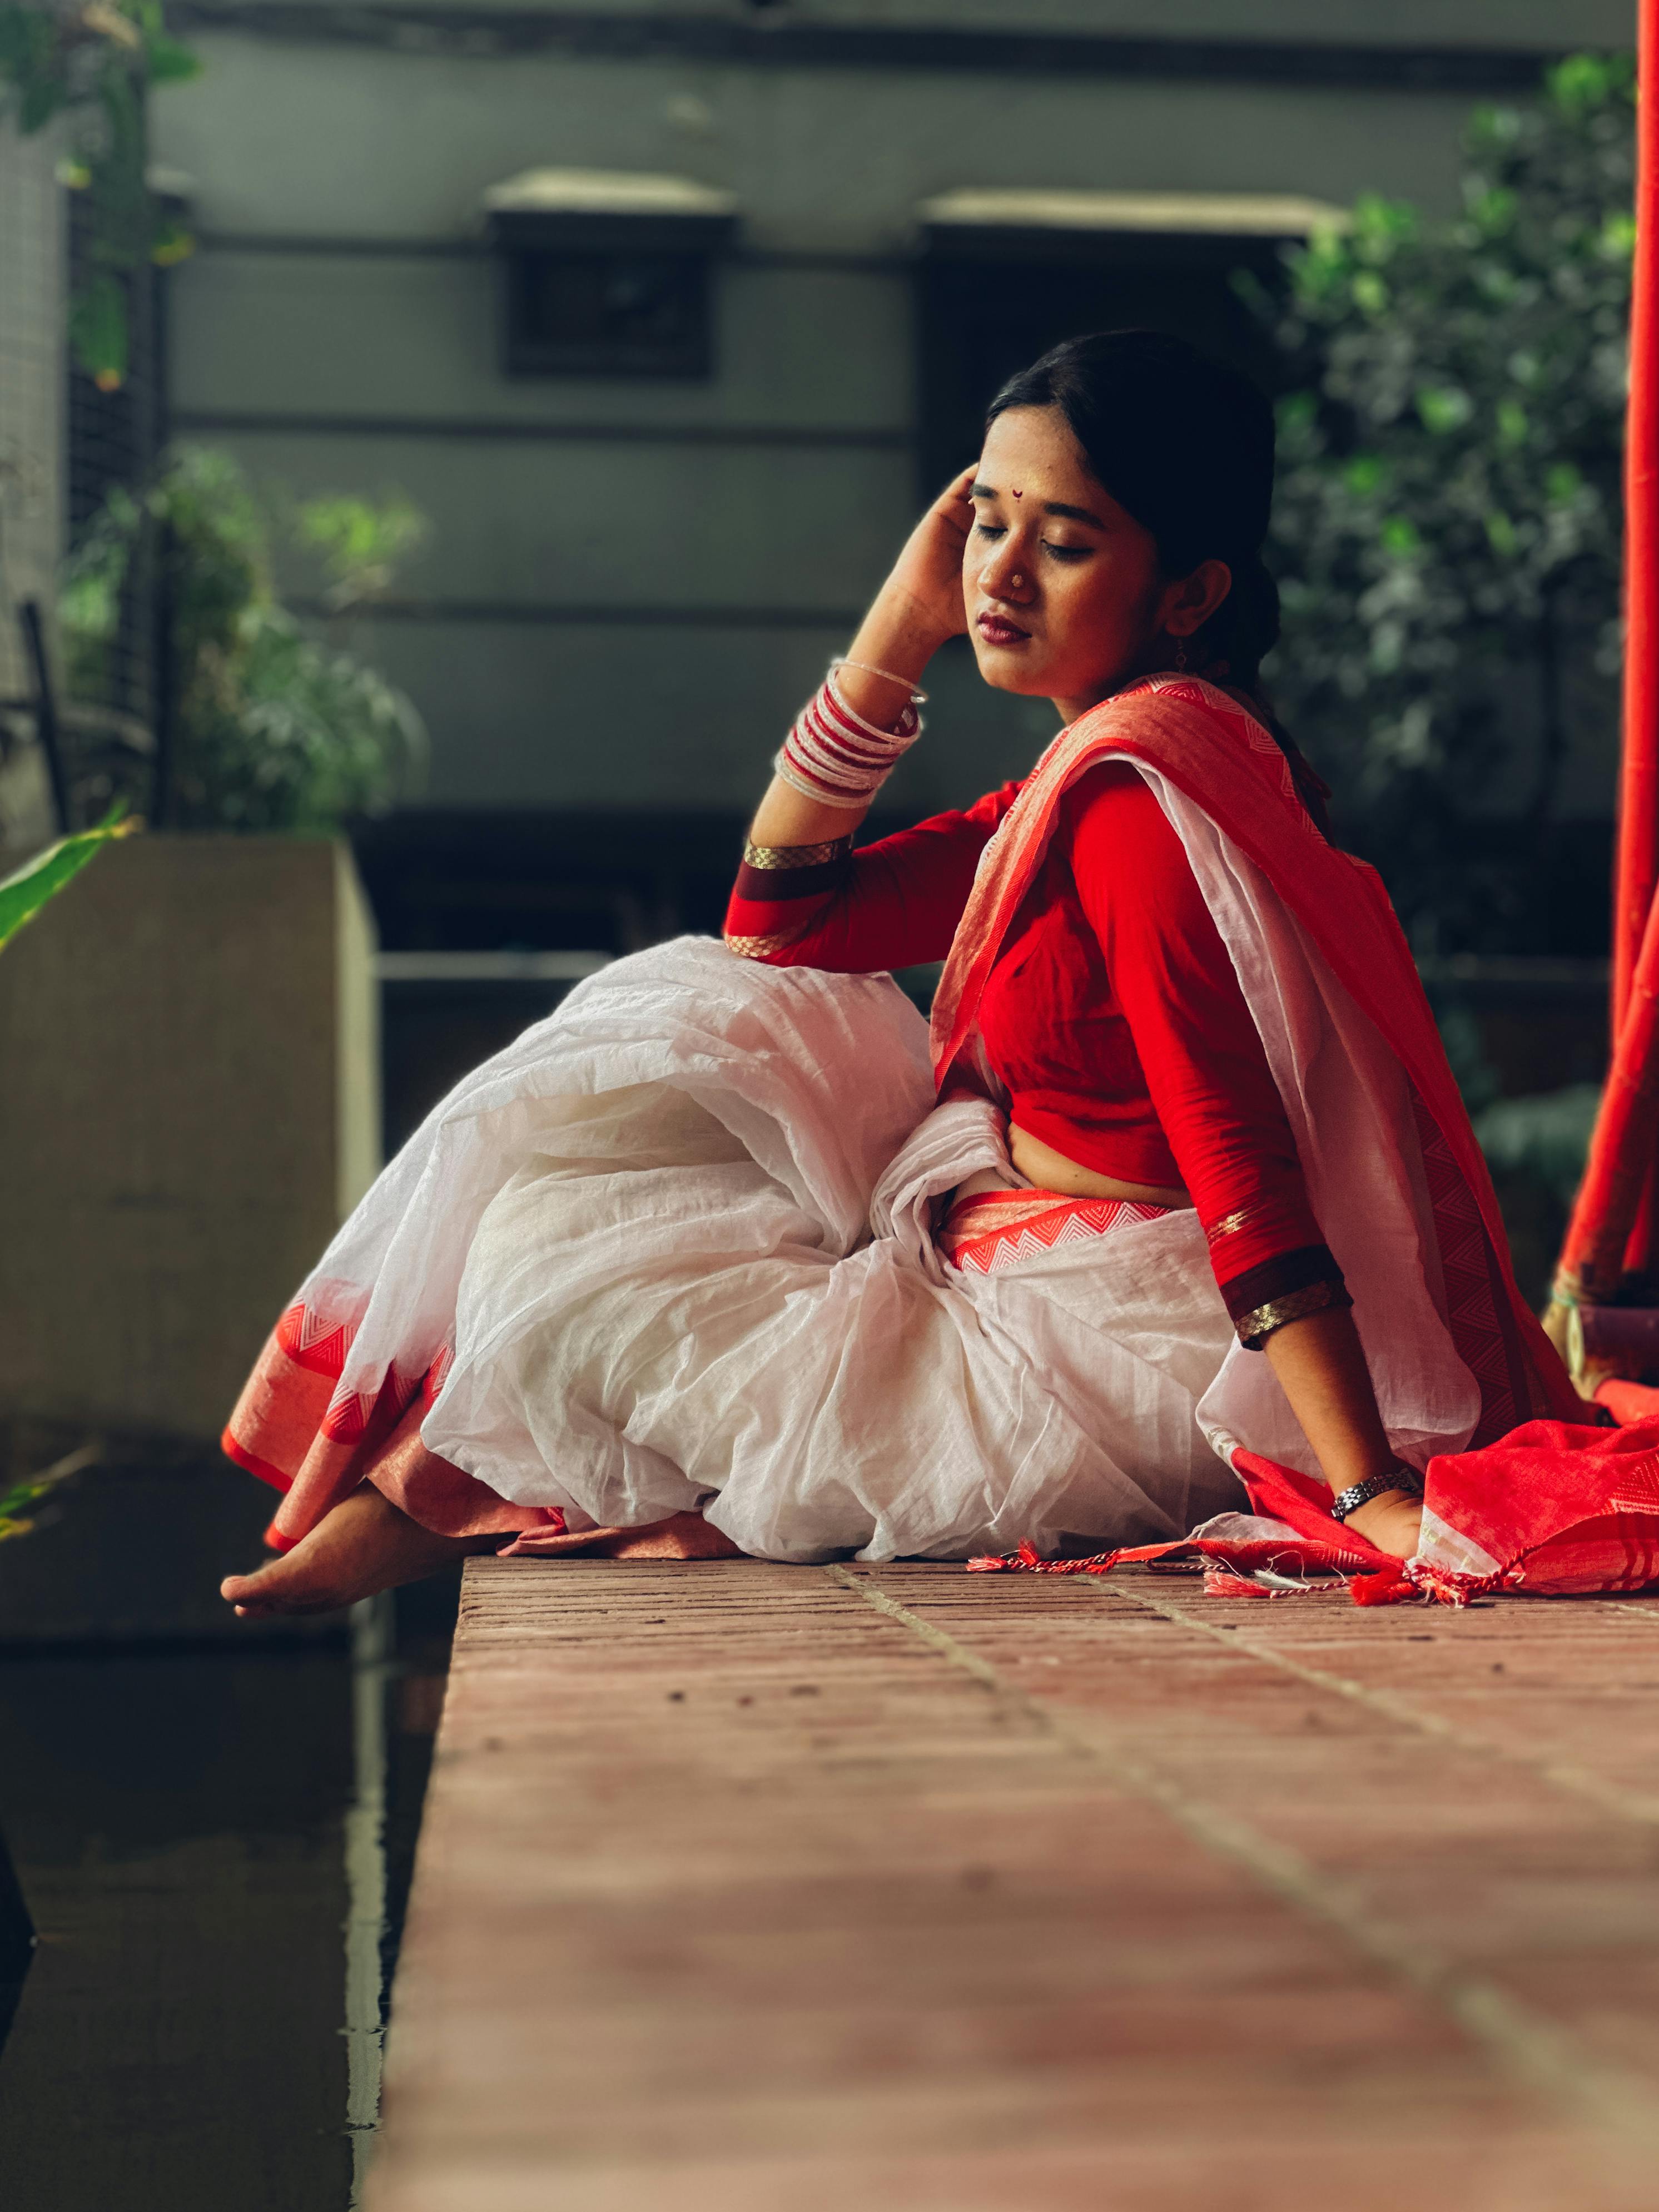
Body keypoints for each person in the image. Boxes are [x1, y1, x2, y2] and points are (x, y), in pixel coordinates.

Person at [219, 331, 1577, 1618]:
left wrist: (1366, 1489)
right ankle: (417, 1514)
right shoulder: (1096, 773)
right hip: (1022, 1277)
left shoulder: (1132, 808)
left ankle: (411, 1519)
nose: (999, 575)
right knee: (670, 1075)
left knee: (591, 1267)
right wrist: (896, 625)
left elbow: (1243, 1163)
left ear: (1190, 591)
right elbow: (783, 918)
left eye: (1064, 542)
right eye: (986, 524)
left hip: (1117, 1357)